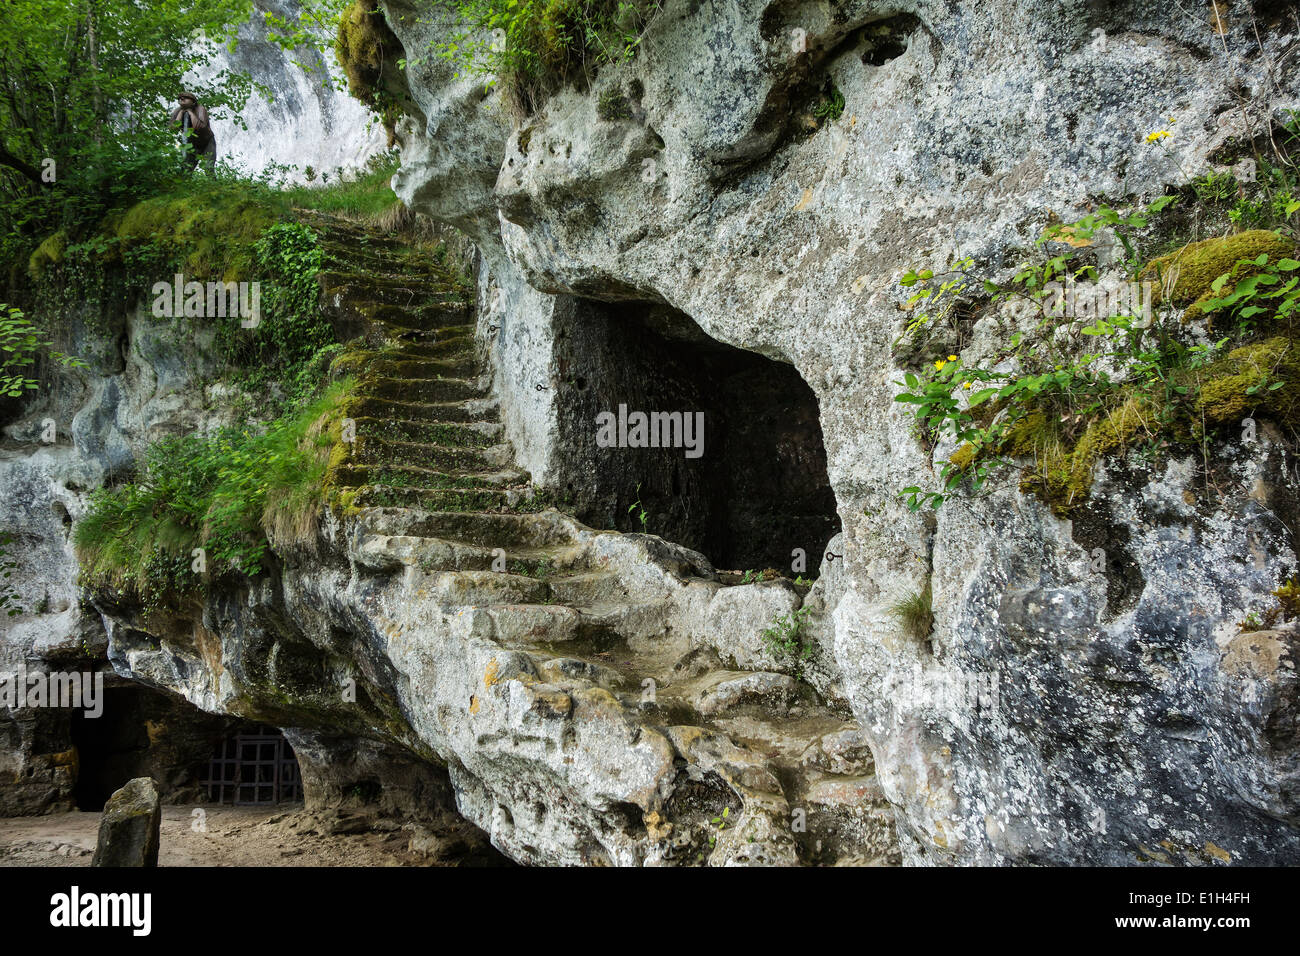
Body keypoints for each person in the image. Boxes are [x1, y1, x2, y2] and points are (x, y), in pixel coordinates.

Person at [170, 91, 215, 174]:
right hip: (191, 143)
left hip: (206, 141)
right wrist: (180, 114)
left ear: (193, 102)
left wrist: (190, 113)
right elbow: (173, 128)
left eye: (186, 98)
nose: (182, 99)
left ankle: (213, 185)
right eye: (180, 98)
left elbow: (200, 127)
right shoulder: (177, 111)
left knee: (209, 168)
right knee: (186, 169)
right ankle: (184, 185)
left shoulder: (200, 109)